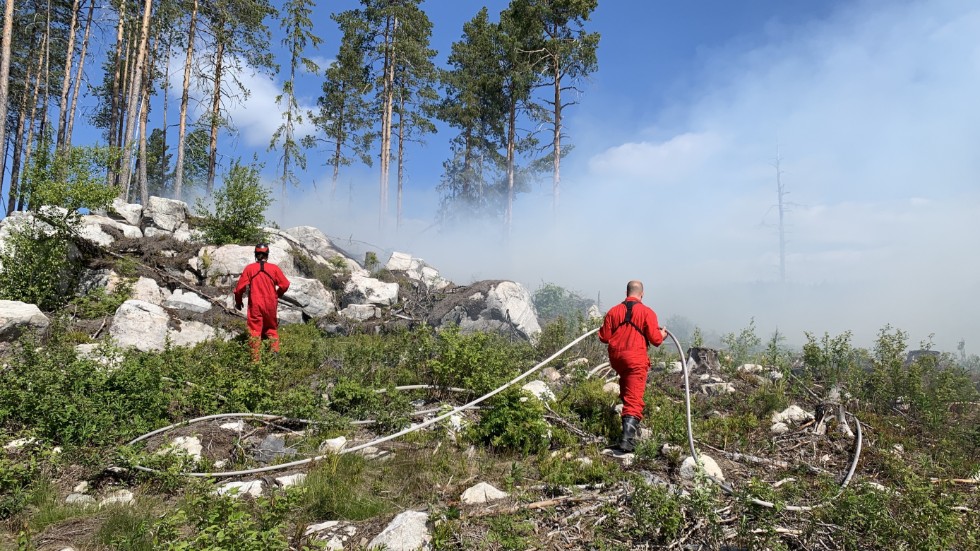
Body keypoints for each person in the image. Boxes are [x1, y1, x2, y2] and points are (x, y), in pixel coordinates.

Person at [598, 280, 666, 452]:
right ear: (642, 294)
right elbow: (656, 340)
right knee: (634, 397)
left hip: (618, 360)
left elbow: (604, 337)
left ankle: (627, 434)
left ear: (626, 292)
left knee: (627, 391)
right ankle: (627, 441)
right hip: (635, 359)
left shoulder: (613, 311)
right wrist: (662, 334)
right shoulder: (646, 312)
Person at [234, 243, 290, 361]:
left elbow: (239, 289)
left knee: (254, 331)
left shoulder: (250, 268)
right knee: (271, 329)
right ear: (267, 255)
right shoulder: (274, 268)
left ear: (256, 255)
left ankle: (255, 361)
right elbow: (285, 284)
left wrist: (238, 302)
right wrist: (277, 295)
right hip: (270, 304)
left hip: (255, 304)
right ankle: (273, 355)